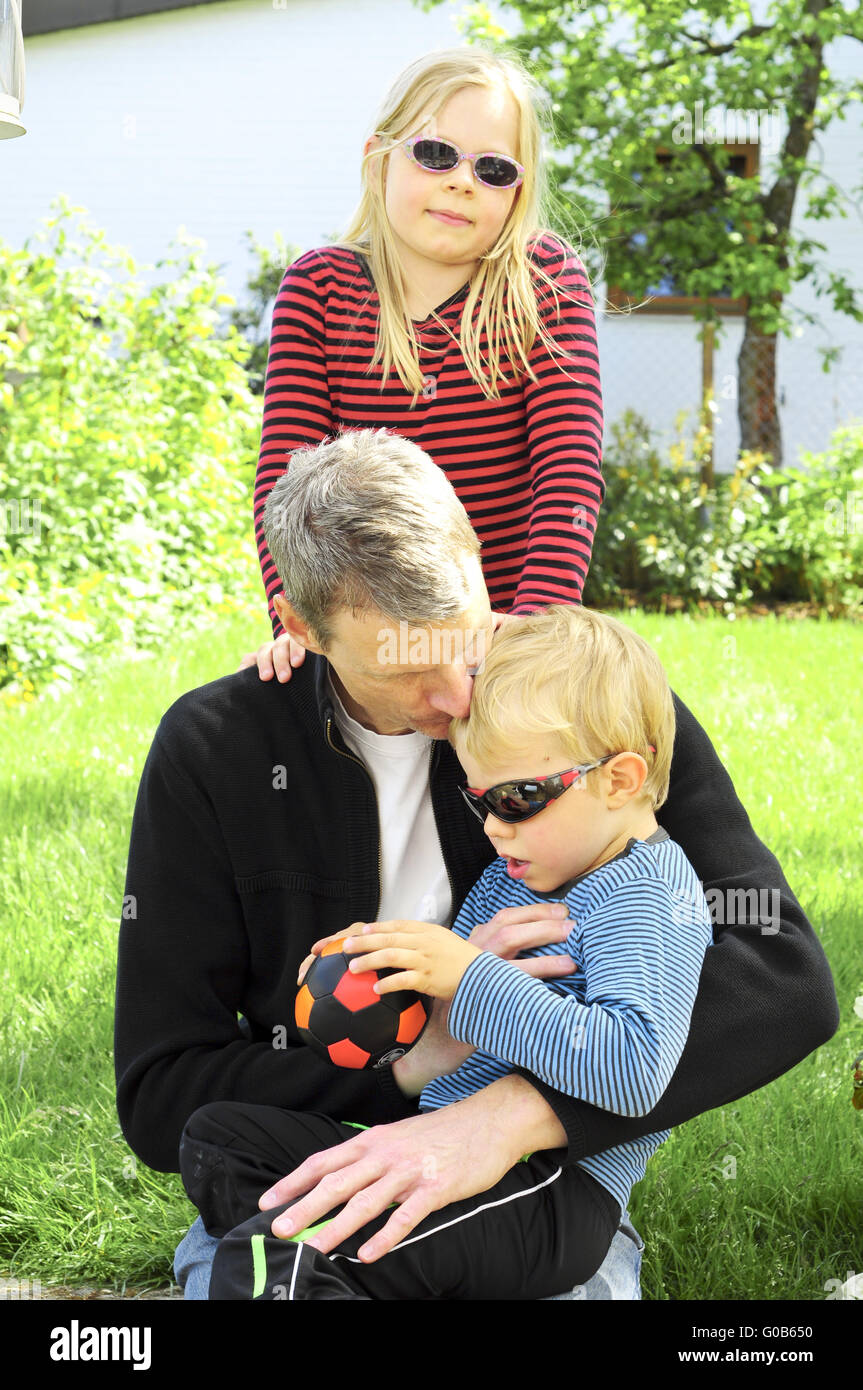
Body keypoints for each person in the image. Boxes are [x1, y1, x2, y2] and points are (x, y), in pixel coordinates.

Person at [114, 430, 838, 1301]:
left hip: (533, 1179)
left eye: (465, 642)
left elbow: (784, 975)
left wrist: (511, 1117)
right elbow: (162, 1089)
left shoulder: (579, 713)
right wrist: (413, 1070)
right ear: (301, 629)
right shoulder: (217, 751)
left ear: (478, 564)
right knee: (267, 1264)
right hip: (327, 1157)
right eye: (412, 673)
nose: (460, 702)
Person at [178, 605, 716, 1300]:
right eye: (480, 801)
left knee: (280, 1254)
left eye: (520, 798)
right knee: (220, 1140)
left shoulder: (643, 893)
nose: (494, 828)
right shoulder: (518, 870)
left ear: (618, 779)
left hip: (549, 1185)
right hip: (437, 1144)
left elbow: (634, 1069)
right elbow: (453, 1022)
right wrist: (375, 976)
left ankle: (305, 1274)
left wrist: (469, 977)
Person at [245, 46, 604, 683]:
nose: (462, 181)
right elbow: (286, 482)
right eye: (435, 154)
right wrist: (300, 628)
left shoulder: (544, 281)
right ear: (377, 157)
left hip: (503, 624)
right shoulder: (320, 288)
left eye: (493, 169)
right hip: (367, 631)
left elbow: (567, 472)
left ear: (517, 192)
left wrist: (532, 624)